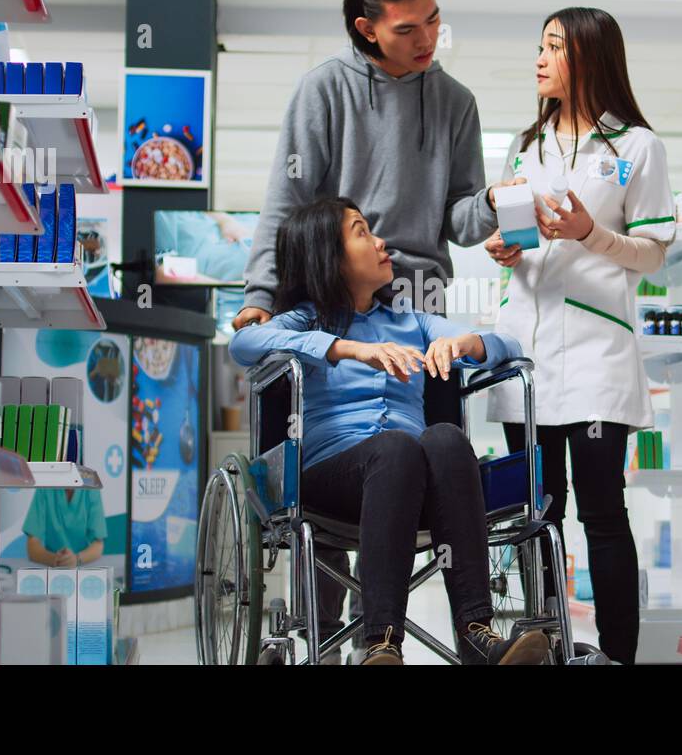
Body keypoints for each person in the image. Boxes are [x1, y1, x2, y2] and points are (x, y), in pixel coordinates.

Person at [233, 0, 521, 658]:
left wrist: (488, 208)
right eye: (406, 28)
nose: (427, 38)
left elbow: (460, 219)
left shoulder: (455, 102)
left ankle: (464, 632)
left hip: (418, 305)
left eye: (433, 20)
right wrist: (260, 298)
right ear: (366, 29)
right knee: (358, 470)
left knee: (434, 446)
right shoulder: (324, 92)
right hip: (331, 297)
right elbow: (287, 206)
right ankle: (334, 640)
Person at [231, 197, 547, 665]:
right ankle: (382, 643)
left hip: (412, 486)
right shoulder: (306, 320)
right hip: (330, 483)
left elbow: (510, 346)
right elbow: (244, 342)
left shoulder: (412, 322)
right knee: (397, 448)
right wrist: (345, 349)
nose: (381, 242)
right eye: (361, 232)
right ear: (328, 255)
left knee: (445, 438)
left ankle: (478, 634)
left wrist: (468, 342)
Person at [483, 7, 676, 665]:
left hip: (596, 356)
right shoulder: (523, 146)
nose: (539, 58)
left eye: (553, 46)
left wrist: (591, 233)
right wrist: (505, 248)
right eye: (539, 45)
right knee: (535, 516)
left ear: (589, 56)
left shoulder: (638, 147)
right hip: (526, 356)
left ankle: (617, 656)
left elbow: (652, 253)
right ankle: (548, 646)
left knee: (601, 514)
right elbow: (522, 235)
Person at [23, 488, 107, 568]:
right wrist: (55, 560)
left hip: (82, 565)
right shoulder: (45, 488)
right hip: (51, 565)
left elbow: (98, 544)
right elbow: (32, 546)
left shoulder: (91, 488)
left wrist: (76, 559)